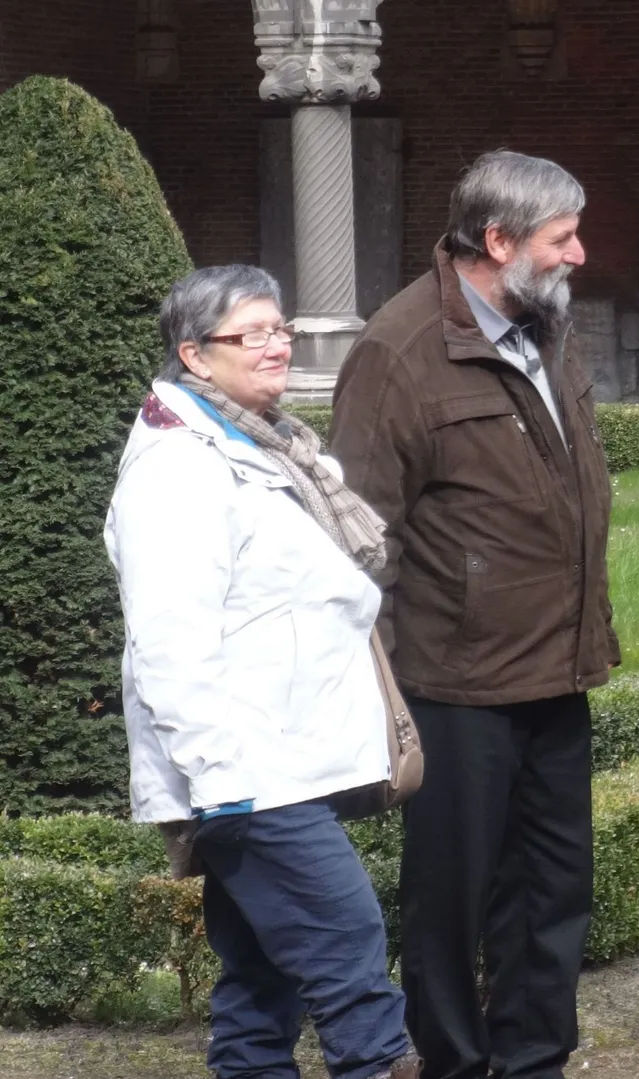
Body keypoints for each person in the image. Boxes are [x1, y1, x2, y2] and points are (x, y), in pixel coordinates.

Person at [329, 150, 617, 1079]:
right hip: (454, 684)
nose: (579, 252)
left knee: (554, 890)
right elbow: (362, 536)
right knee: (449, 902)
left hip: (556, 668)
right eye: (560, 237)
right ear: (498, 241)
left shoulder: (546, 327)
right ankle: (453, 1063)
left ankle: (535, 1060)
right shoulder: (397, 349)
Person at [104, 265, 418, 1079]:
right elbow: (169, 643)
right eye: (254, 334)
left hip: (283, 758)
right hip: (248, 770)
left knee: (261, 985)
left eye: (280, 328)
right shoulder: (180, 468)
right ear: (195, 356)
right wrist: (221, 776)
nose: (278, 344)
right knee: (352, 968)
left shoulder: (265, 444)